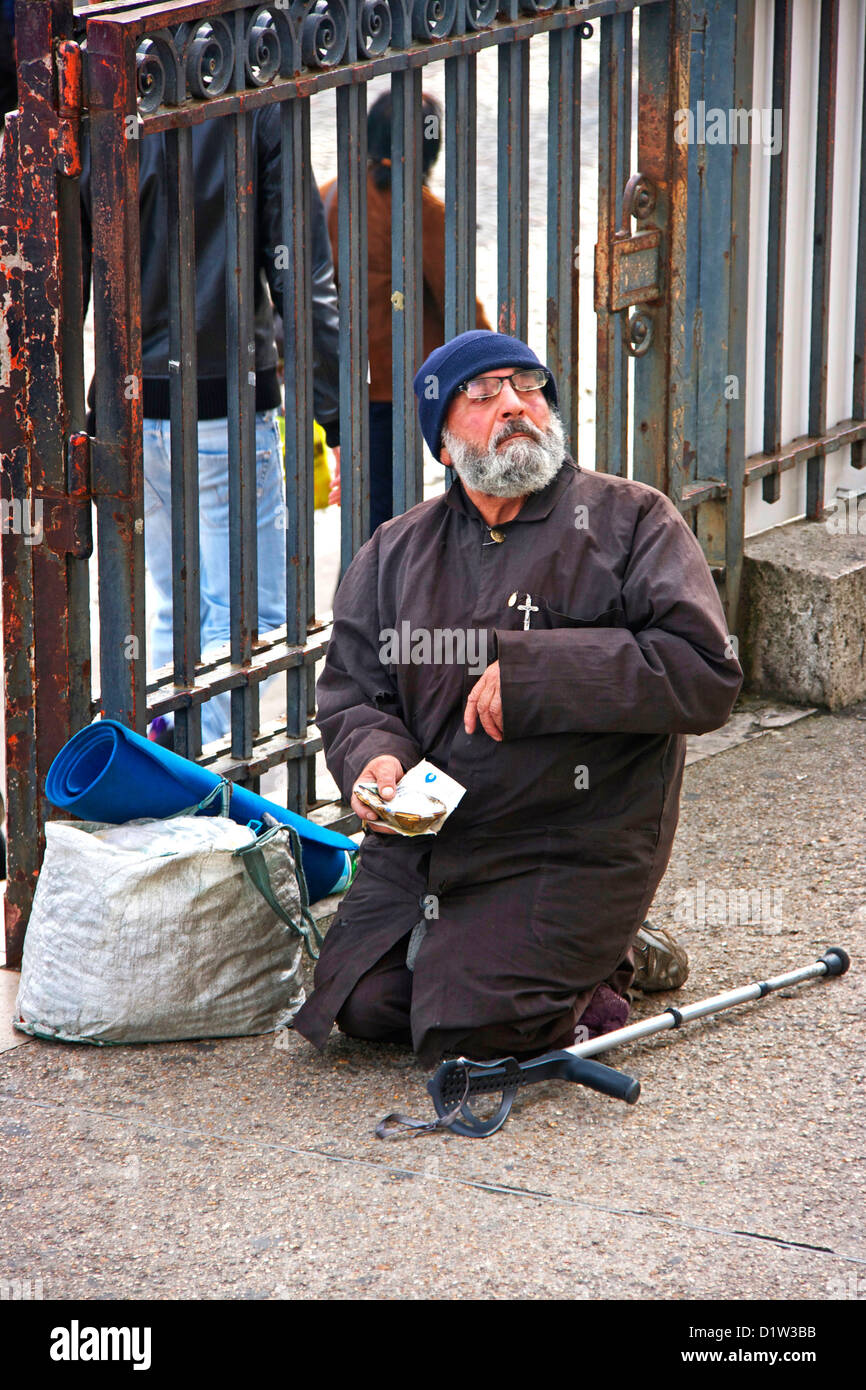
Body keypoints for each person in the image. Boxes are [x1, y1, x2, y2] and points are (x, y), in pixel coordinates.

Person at [293, 330, 743, 1065]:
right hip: (434, 826)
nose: (513, 405)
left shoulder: (632, 521)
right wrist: (376, 761)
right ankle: (573, 958)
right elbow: (354, 692)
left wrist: (539, 672)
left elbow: (705, 673)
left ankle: (601, 967)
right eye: (482, 392)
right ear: (443, 445)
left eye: (527, 386)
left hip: (569, 835)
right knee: (363, 1003)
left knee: (470, 1033)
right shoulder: (395, 551)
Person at [80, 105, 341, 745]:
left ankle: (169, 746)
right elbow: (302, 279)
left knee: (183, 611)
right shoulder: (253, 91)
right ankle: (198, 764)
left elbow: (66, 271)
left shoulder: (113, 88)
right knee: (252, 618)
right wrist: (332, 410)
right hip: (224, 399)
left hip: (132, 406)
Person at [320, 91, 491, 536]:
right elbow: (461, 305)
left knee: (367, 517)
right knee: (391, 519)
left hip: (346, 385)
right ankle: (380, 601)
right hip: (399, 391)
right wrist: (502, 367)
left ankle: (360, 596)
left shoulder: (330, 197)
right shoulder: (422, 210)